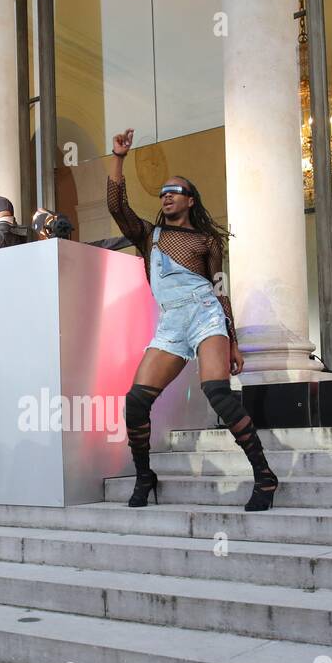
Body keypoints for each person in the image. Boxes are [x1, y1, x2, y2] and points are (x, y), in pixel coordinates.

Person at [107, 128, 279, 512]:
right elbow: (117, 207)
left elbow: (220, 289)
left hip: (206, 316)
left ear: (190, 200)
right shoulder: (148, 235)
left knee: (217, 392)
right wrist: (118, 157)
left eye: (175, 190)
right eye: (163, 191)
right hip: (171, 324)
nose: (166, 195)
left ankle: (264, 476)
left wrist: (232, 340)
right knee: (135, 403)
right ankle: (144, 475)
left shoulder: (207, 242)